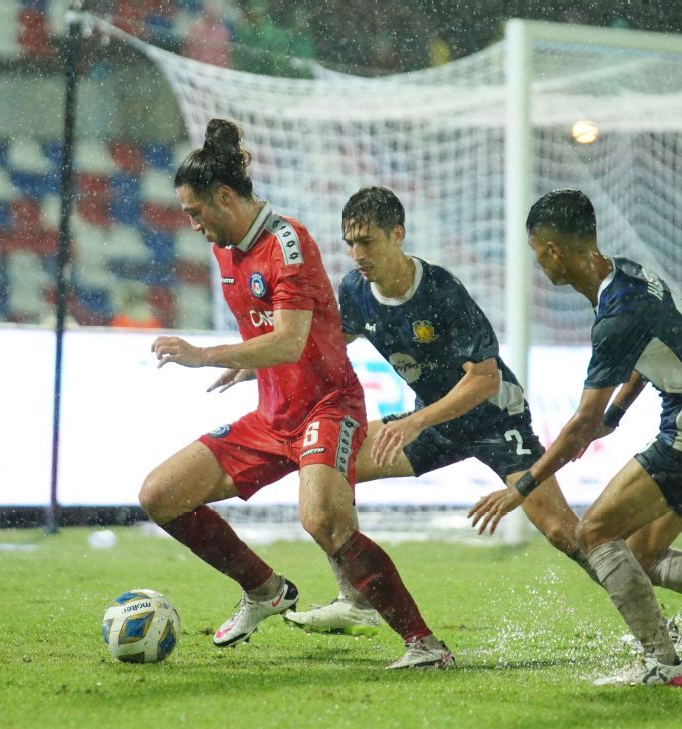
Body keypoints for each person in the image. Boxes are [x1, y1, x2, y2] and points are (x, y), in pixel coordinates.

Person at [138, 119, 453, 669]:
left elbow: (288, 341)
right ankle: (264, 590)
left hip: (328, 407)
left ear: (225, 197)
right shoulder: (226, 247)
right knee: (159, 495)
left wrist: (205, 355)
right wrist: (246, 366)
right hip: (271, 415)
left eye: (196, 211)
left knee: (323, 522)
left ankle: (425, 646)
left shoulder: (288, 242)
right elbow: (271, 332)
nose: (192, 224)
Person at [468, 189, 682, 687]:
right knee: (641, 555)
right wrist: (618, 414)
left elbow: (581, 422)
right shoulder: (629, 274)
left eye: (537, 252)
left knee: (594, 533)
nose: (538, 263)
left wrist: (523, 486)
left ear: (555, 251)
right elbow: (644, 357)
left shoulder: (615, 316)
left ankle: (664, 664)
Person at [280, 185, 590, 634]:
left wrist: (415, 422)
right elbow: (330, 346)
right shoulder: (355, 289)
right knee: (330, 467)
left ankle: (645, 599)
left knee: (563, 532)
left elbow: (484, 380)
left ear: (397, 234)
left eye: (367, 241)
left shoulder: (441, 291)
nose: (357, 254)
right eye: (350, 243)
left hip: (495, 421)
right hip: (435, 423)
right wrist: (266, 362)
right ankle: (356, 600)